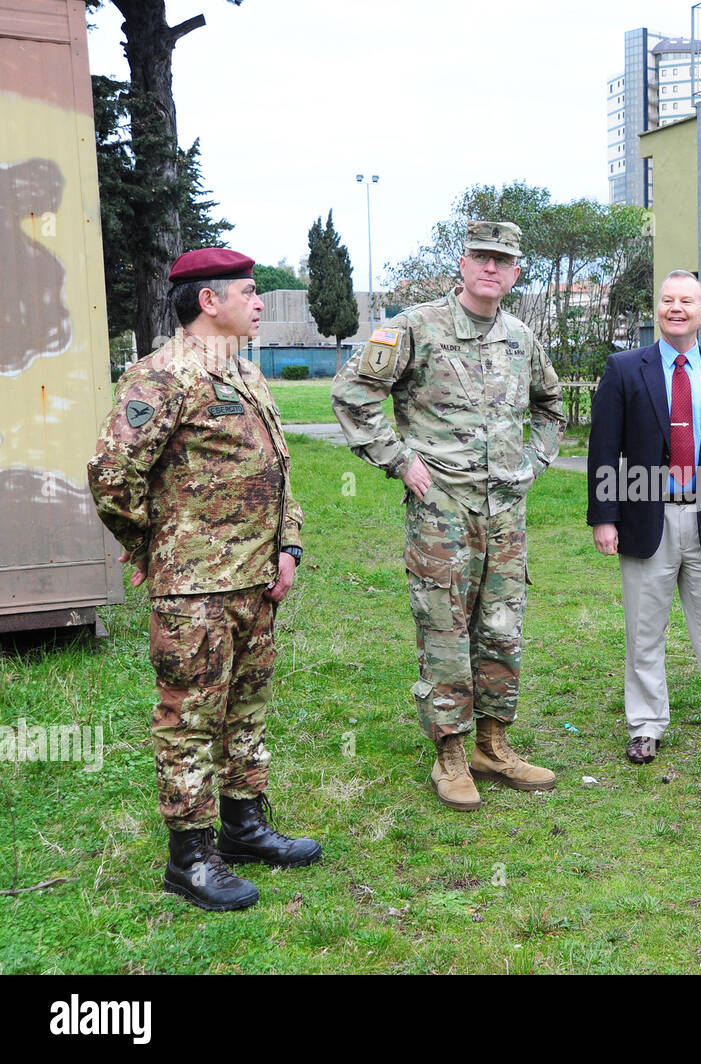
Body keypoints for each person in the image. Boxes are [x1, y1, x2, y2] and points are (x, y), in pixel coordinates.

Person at [88, 248, 320, 912]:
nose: (258, 302)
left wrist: (289, 546)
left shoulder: (247, 374)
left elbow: (278, 473)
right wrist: (155, 549)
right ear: (208, 302)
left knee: (244, 711)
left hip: (256, 582)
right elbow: (112, 477)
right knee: (189, 719)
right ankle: (189, 860)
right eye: (248, 292)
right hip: (195, 589)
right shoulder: (161, 377)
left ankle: (244, 829)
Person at [331, 221, 564, 812]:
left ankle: (493, 742)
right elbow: (354, 393)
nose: (491, 268)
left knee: (502, 629)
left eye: (503, 261)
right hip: (443, 509)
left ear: (514, 273)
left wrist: (534, 462)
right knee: (444, 630)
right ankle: (451, 751)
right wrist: (400, 462)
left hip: (505, 512)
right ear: (462, 265)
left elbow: (550, 406)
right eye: (481, 258)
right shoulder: (414, 327)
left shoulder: (520, 337)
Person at [587, 270, 701, 764]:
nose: (676, 308)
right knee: (644, 629)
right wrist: (604, 516)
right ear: (658, 311)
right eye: (667, 300)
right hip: (647, 517)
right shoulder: (624, 368)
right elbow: (604, 449)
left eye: (687, 301)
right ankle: (645, 725)